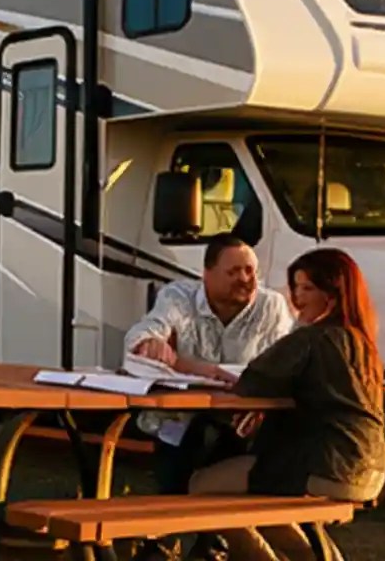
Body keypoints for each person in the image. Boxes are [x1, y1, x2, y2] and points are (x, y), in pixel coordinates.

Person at [186, 247, 385, 561]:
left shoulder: (311, 339)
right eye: (295, 287)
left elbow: (249, 383)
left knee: (202, 487)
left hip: (326, 464)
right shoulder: (363, 343)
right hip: (371, 467)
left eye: (307, 288)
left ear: (332, 294)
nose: (298, 297)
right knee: (259, 503)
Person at [124, 233, 296, 560]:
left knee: (224, 449)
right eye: (233, 272)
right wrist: (151, 344)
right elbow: (145, 334)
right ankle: (163, 542)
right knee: (177, 440)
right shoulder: (178, 296)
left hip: (239, 420)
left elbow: (278, 369)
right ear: (206, 273)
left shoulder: (270, 306)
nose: (245, 280)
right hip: (181, 414)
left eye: (250, 271)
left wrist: (187, 364)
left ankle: (211, 544)